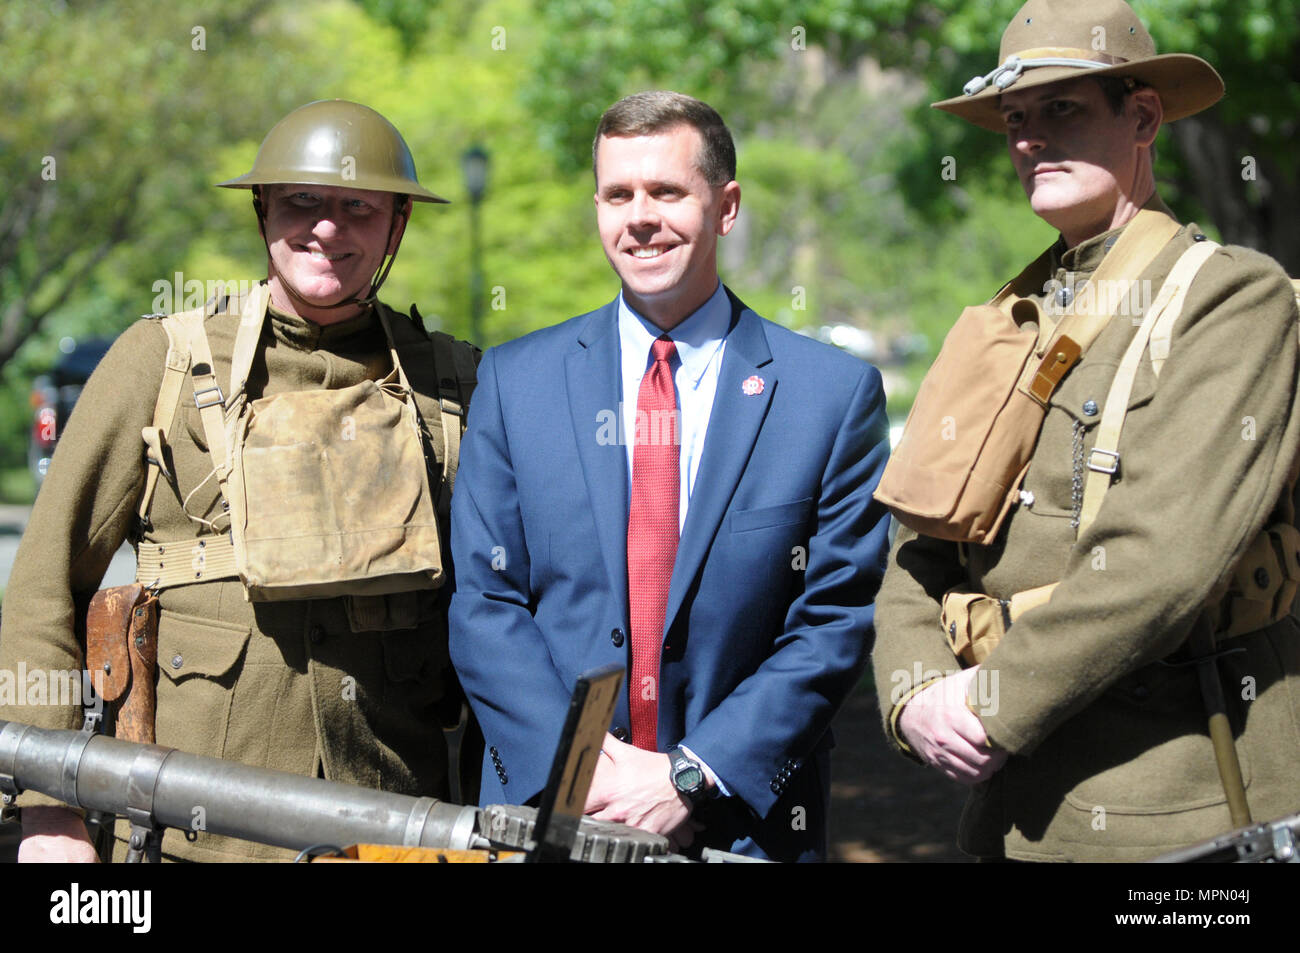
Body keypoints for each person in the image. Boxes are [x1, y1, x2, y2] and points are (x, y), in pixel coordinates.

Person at [872, 0, 1300, 861]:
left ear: (1141, 117)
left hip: (1173, 810)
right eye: (1015, 119)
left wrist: (993, 705)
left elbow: (1161, 558)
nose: (1029, 137)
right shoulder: (1014, 316)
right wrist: (915, 693)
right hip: (1009, 815)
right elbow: (919, 543)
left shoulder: (1231, 298)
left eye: (1062, 108)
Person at [0, 100, 479, 862]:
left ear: (397, 225)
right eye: (302, 202)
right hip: (188, 836)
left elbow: (504, 609)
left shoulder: (450, 385)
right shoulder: (156, 361)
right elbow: (42, 589)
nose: (327, 227)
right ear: (263, 212)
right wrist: (48, 811)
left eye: (358, 207)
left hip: (390, 833)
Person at [448, 90, 890, 862]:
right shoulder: (516, 382)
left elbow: (834, 619)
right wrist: (577, 764)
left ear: (726, 206)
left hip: (739, 827)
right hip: (549, 815)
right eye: (618, 194)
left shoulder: (829, 396)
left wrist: (691, 774)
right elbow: (486, 601)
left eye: (666, 192)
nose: (640, 217)